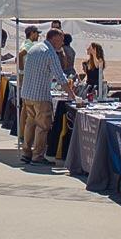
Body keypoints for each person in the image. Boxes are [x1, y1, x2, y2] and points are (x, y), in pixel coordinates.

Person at [20, 30, 77, 165]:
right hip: (40, 96)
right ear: (53, 39)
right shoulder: (50, 53)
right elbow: (60, 77)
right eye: (60, 40)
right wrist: (72, 95)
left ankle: (26, 153)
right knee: (42, 126)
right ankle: (37, 156)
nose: (62, 43)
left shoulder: (35, 48)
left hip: (27, 94)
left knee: (30, 123)